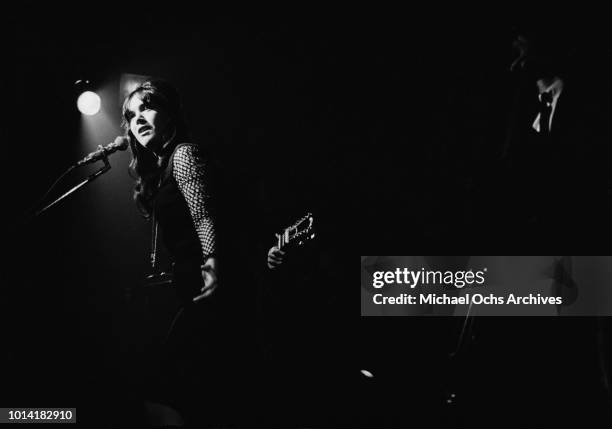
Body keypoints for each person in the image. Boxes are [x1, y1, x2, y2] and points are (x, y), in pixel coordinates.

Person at [123, 79, 229, 426]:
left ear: (170, 113)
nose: (137, 119)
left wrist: (212, 261)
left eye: (147, 107)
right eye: (130, 114)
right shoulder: (162, 166)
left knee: (164, 396)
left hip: (208, 295)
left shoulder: (183, 153)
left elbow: (204, 213)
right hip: (192, 294)